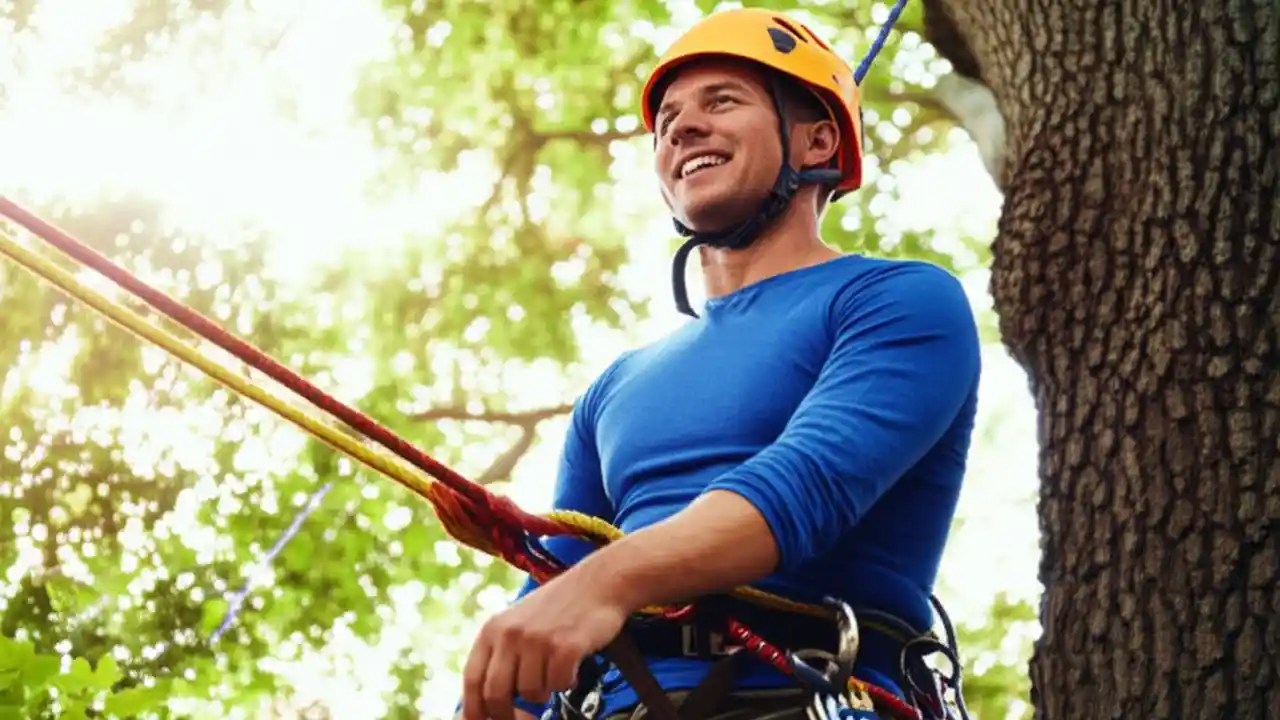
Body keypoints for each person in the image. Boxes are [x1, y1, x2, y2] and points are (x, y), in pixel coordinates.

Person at [458, 7, 980, 720]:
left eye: (722, 101)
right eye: (668, 120)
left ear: (818, 139)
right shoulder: (615, 388)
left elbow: (804, 489)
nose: (682, 128)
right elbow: (551, 600)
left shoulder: (899, 300)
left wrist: (606, 582)